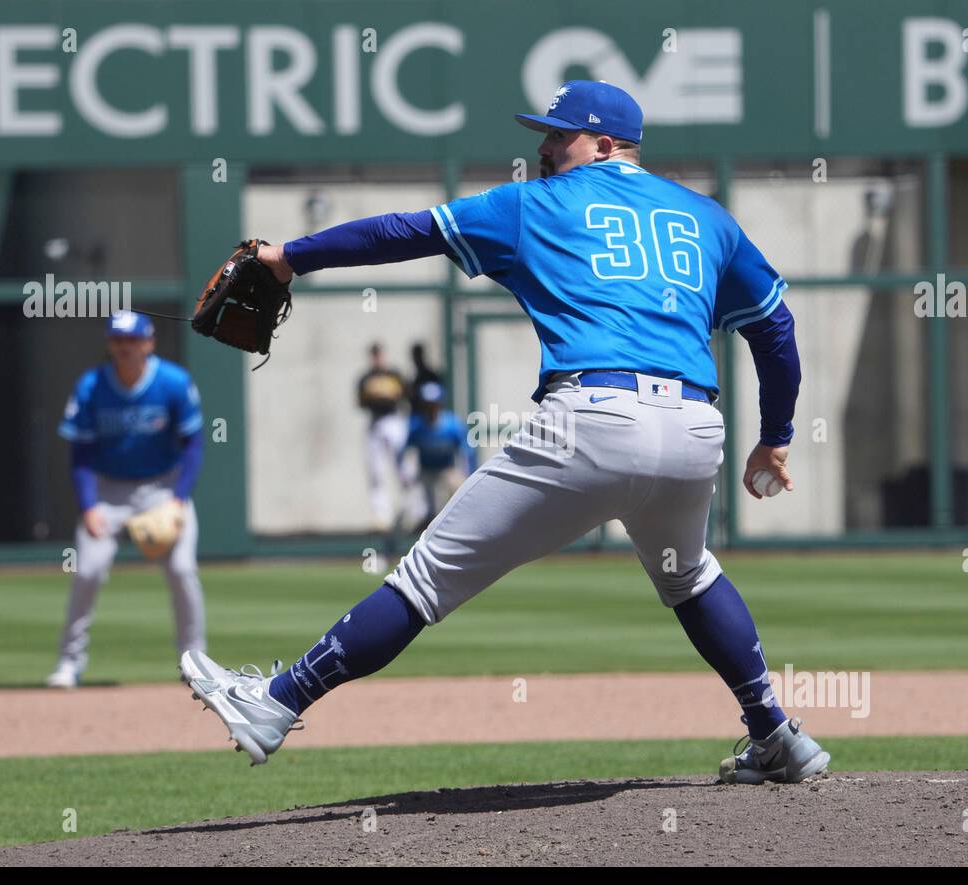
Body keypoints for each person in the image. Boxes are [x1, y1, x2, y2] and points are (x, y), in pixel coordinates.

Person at [182, 80, 829, 785]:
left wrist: (290, 257)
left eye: (559, 135)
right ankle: (777, 734)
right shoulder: (708, 218)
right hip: (694, 429)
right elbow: (775, 326)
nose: (545, 148)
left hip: (592, 418)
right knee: (691, 575)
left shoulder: (532, 205)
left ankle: (275, 702)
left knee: (424, 580)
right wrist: (777, 435)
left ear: (606, 144)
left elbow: (407, 230)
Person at [49, 311, 206, 687]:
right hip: (107, 491)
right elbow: (80, 454)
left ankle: (196, 663)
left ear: (148, 343)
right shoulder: (90, 386)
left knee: (183, 570)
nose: (125, 347)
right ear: (110, 344)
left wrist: (178, 500)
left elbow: (194, 445)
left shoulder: (172, 381)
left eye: (132, 340)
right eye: (118, 340)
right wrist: (88, 505)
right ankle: (70, 663)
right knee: (86, 570)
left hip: (163, 489)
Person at [398, 381, 477, 533]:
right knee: (418, 505)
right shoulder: (416, 425)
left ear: (440, 403)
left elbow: (467, 450)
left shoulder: (452, 424)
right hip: (426, 472)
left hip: (446, 469)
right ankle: (419, 530)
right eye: (427, 404)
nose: (431, 408)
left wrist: (469, 472)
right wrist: (404, 473)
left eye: (434, 404)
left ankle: (462, 528)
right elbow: (405, 451)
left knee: (459, 488)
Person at [355, 343, 408, 541]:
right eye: (374, 355)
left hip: (394, 420)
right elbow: (360, 402)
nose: (378, 358)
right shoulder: (365, 378)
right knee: (375, 472)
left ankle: (408, 512)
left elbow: (406, 395)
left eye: (379, 355)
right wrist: (376, 396)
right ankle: (381, 518)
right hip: (375, 421)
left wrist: (387, 394)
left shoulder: (394, 374)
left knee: (403, 469)